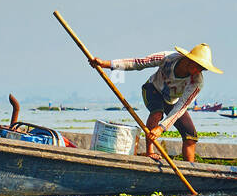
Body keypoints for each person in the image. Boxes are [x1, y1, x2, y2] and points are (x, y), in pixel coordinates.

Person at [91, 43, 222, 163]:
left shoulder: (197, 82)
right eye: (197, 66)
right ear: (189, 60)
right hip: (152, 89)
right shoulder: (168, 58)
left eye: (202, 69)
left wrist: (162, 127)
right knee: (157, 113)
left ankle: (190, 169)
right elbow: (138, 63)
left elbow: (181, 107)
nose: (198, 71)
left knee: (190, 136)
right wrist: (105, 64)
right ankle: (150, 152)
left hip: (173, 102)